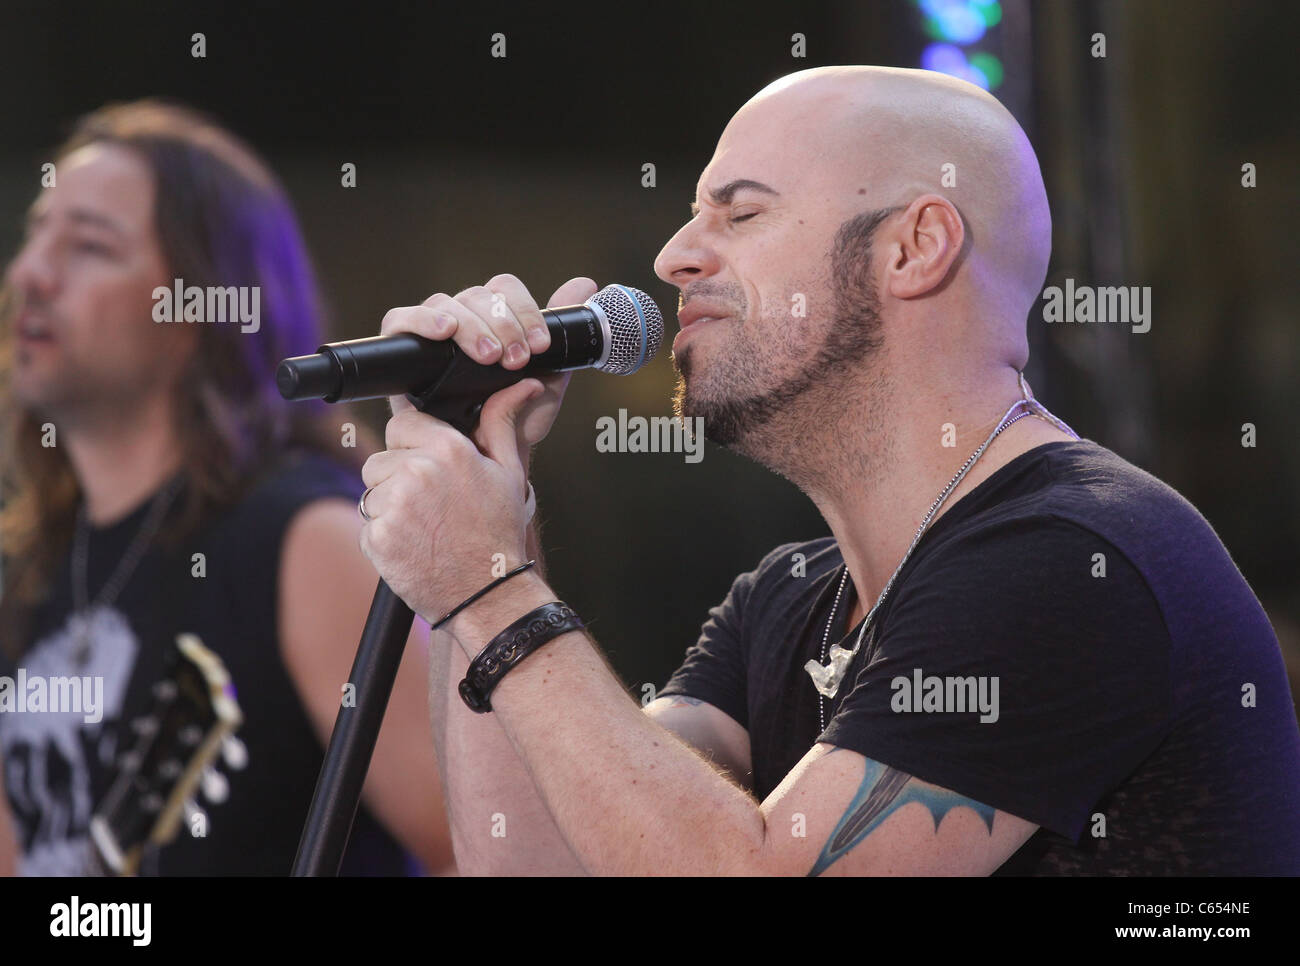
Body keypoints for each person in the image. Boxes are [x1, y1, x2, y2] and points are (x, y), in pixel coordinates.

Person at [354, 66, 1300, 874]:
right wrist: (493, 495)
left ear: (914, 247)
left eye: (742, 212)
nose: (675, 257)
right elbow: (536, 859)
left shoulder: (1075, 558)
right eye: (694, 216)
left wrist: (494, 593)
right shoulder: (787, 600)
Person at [0, 100, 451, 875]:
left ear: (198, 306)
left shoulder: (305, 541)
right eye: (36, 232)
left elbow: (480, 845)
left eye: (88, 247)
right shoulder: (27, 568)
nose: (31, 273)